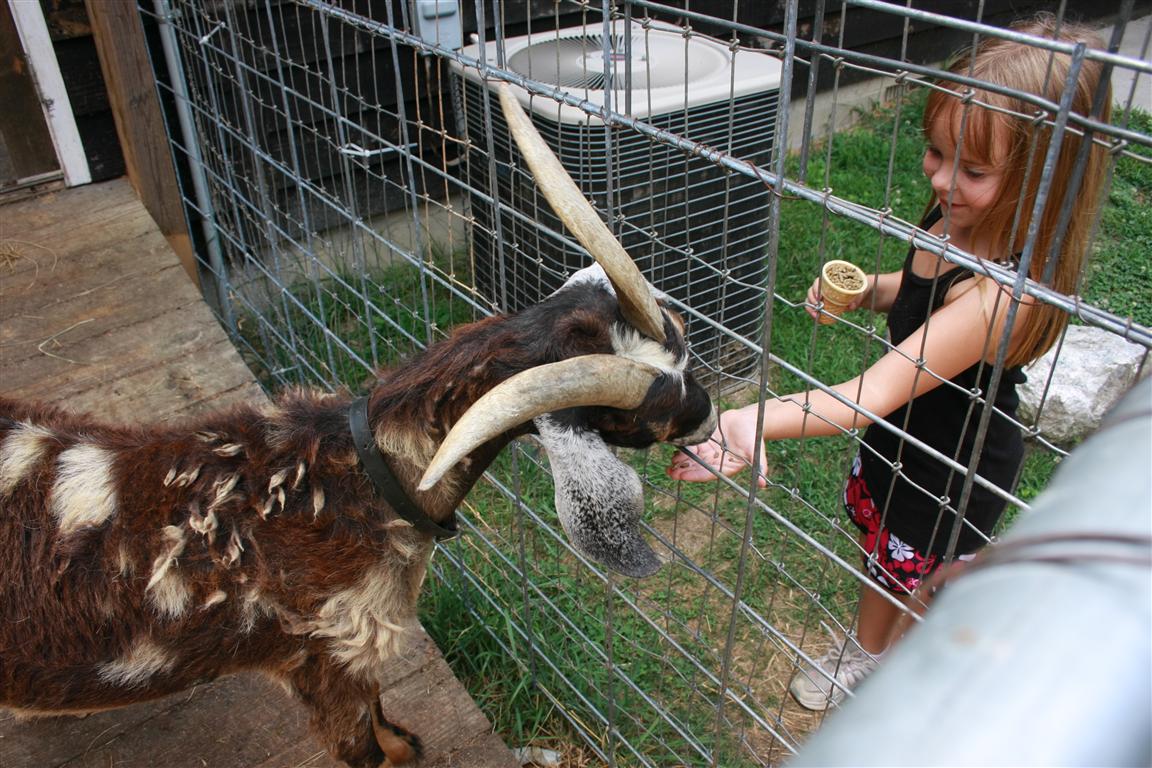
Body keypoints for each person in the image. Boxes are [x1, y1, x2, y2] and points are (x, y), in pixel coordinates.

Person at [667, 13, 1112, 710]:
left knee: (910, 575)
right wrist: (871, 291)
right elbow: (916, 290)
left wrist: (751, 419)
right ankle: (880, 644)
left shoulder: (1002, 296)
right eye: (936, 152)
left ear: (1042, 182)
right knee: (883, 557)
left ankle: (885, 668)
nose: (942, 179)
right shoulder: (954, 217)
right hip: (900, 441)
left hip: (947, 470)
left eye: (973, 169)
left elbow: (871, 392)